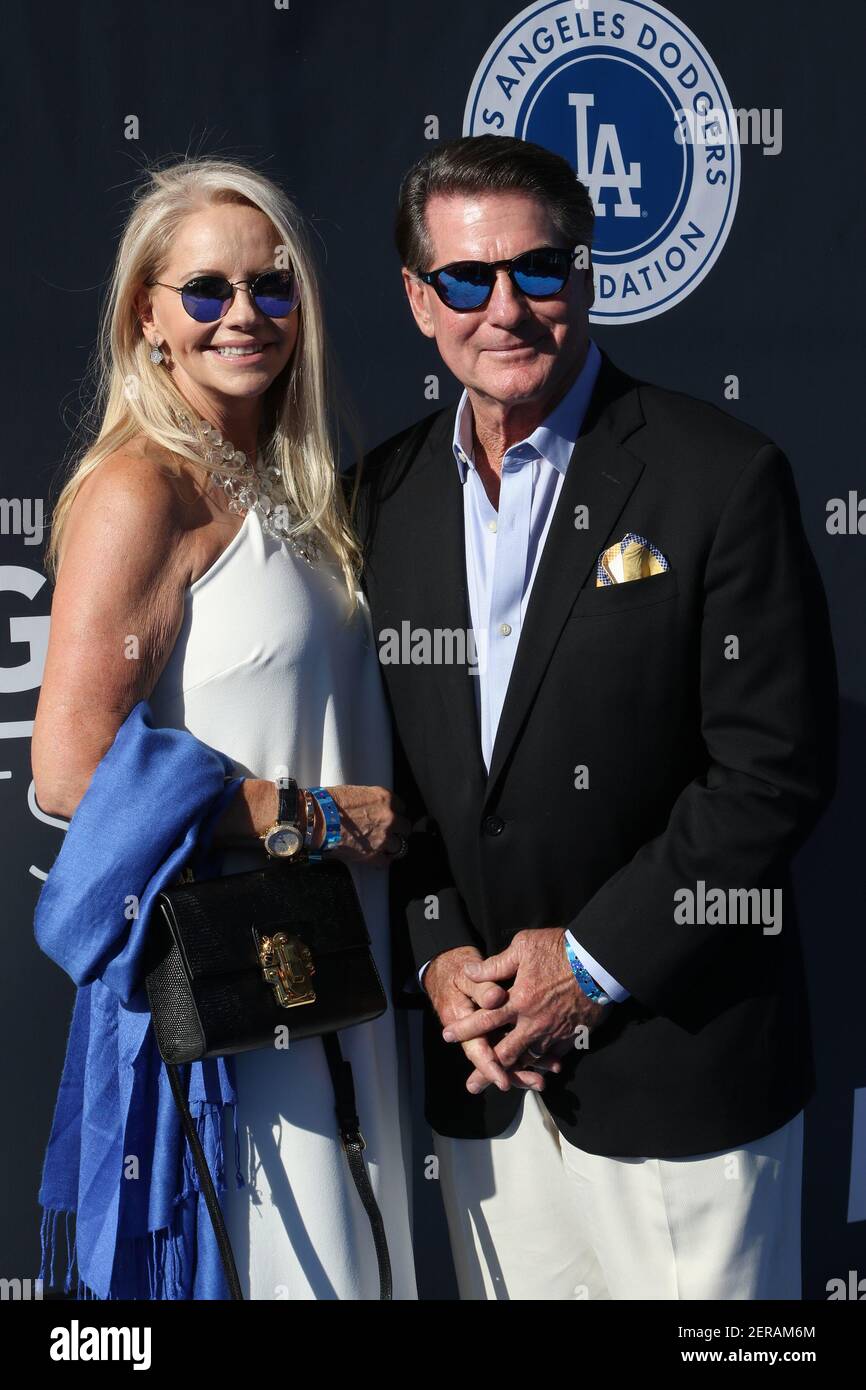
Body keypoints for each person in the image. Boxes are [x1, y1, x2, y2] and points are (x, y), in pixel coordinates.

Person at [352, 135, 838, 1300]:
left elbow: (771, 772)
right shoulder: (380, 493)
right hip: (484, 1091)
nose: (505, 308)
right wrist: (433, 957)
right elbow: (398, 782)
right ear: (421, 301)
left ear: (588, 274)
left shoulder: (718, 475)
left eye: (540, 269)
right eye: (467, 279)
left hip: (682, 1074)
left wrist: (589, 960)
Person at [32, 156, 417, 1300]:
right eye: (205, 290)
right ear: (147, 317)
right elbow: (67, 772)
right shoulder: (142, 491)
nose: (241, 314)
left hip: (344, 977)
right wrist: (303, 817)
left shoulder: (287, 487)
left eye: (271, 285)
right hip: (239, 993)